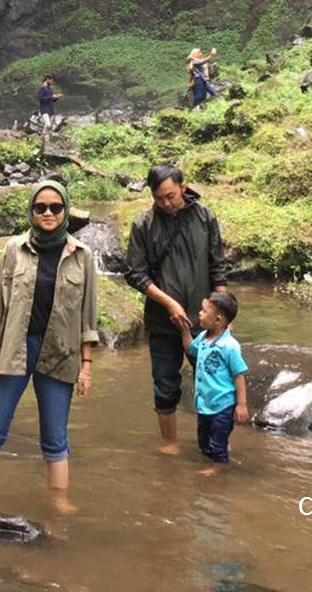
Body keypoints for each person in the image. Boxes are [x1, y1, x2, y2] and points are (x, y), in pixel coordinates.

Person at [0, 180, 99, 508]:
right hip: (15, 348)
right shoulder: (14, 249)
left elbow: (88, 317)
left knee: (55, 435)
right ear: (31, 211)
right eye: (40, 207)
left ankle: (58, 503)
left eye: (55, 208)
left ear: (65, 211)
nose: (48, 213)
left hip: (60, 352)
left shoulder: (82, 255)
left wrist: (86, 367)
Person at [125, 164, 228, 454]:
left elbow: (217, 267)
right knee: (166, 385)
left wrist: (224, 317)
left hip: (205, 319)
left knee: (214, 382)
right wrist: (169, 302)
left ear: (183, 187)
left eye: (170, 195)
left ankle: (215, 443)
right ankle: (169, 445)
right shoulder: (144, 225)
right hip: (162, 321)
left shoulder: (204, 217)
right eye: (159, 198)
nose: (166, 203)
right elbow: (135, 274)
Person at [182, 291, 249, 473]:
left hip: (223, 405)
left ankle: (219, 467)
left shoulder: (230, 346)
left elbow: (239, 375)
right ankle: (212, 459)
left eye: (203, 312)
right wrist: (184, 330)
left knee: (218, 444)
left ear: (218, 320)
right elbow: (190, 348)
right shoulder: (203, 338)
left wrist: (241, 405)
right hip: (204, 404)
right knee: (204, 443)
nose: (199, 314)